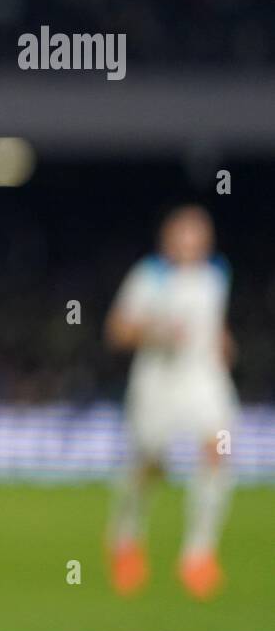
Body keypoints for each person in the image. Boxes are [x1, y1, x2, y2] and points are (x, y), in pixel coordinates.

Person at [105, 205, 238, 600]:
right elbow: (118, 331)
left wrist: (222, 342)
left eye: (198, 235)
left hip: (203, 379)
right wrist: (156, 332)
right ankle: (125, 538)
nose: (190, 243)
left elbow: (212, 322)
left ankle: (198, 554)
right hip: (157, 382)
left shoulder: (216, 275)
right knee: (151, 464)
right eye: (183, 234)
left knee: (218, 448)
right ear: (168, 239)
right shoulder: (149, 277)